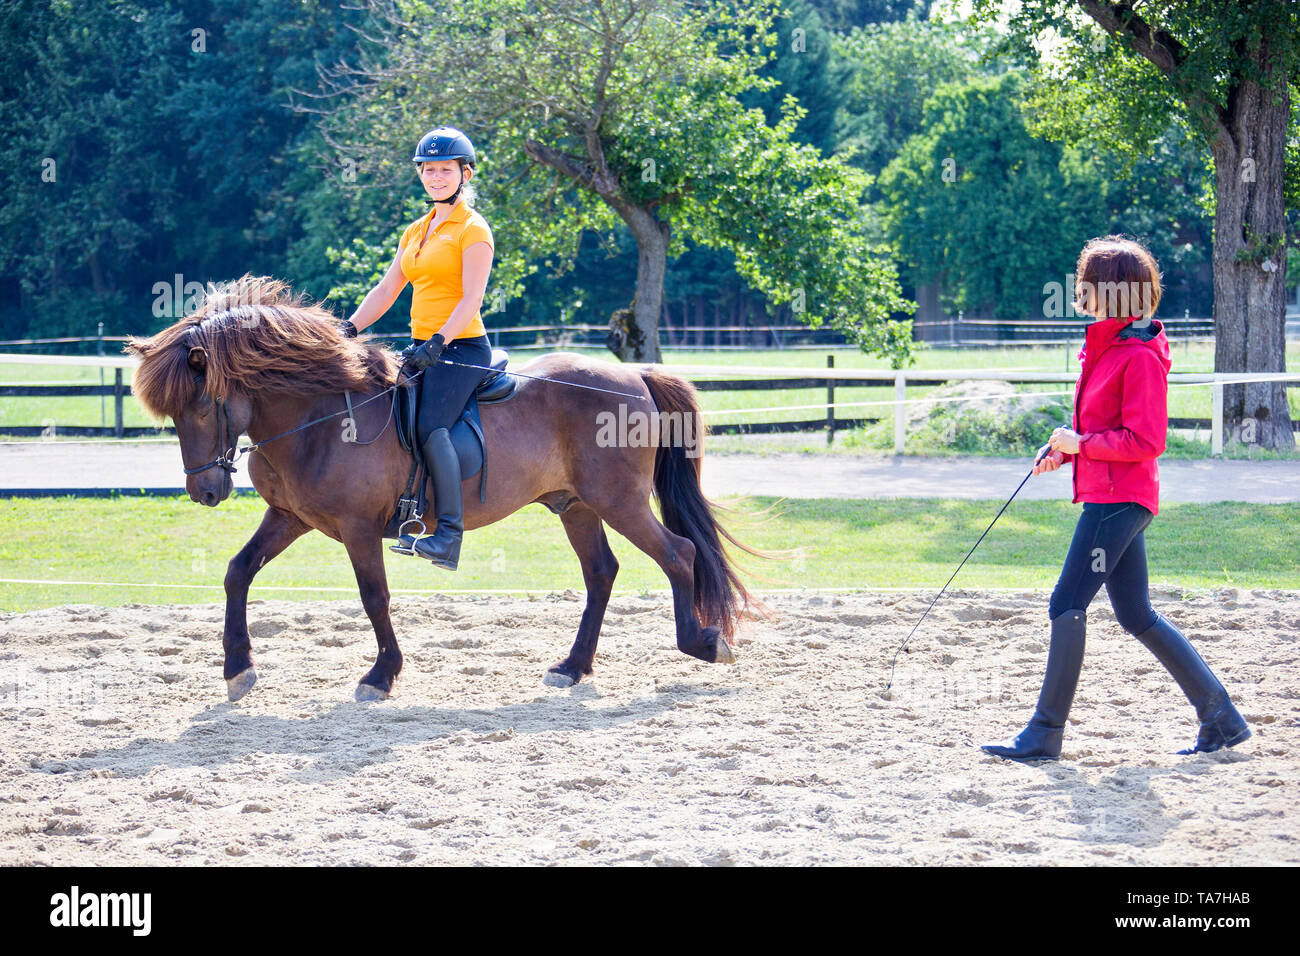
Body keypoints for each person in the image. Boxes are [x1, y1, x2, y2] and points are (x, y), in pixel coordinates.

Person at [982, 235, 1250, 761]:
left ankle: (1044, 733)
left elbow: (1147, 441)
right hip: (1113, 495)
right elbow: (1104, 429)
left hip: (1119, 502)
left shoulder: (1139, 357)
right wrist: (1068, 452)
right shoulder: (1105, 347)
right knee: (1136, 614)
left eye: (1087, 282)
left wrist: (1081, 445)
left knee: (1066, 603)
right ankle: (1221, 718)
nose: (1078, 289)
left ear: (1115, 292)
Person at [338, 126, 494, 571]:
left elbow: (471, 299)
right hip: (423, 346)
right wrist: (348, 327)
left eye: (445, 169)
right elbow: (388, 288)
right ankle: (405, 509)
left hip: (461, 348)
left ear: (464, 174)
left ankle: (448, 535)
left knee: (430, 426)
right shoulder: (418, 230)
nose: (435, 177)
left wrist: (440, 340)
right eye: (428, 170)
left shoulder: (473, 230)